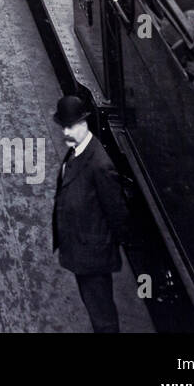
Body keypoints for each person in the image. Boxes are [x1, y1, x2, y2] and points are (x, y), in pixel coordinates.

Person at [52, 94, 130, 332]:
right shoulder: (77, 150)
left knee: (102, 314)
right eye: (63, 126)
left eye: (71, 126)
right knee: (94, 304)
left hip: (93, 251)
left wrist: (109, 244)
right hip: (81, 248)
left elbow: (116, 211)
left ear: (84, 123)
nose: (66, 132)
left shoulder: (99, 164)